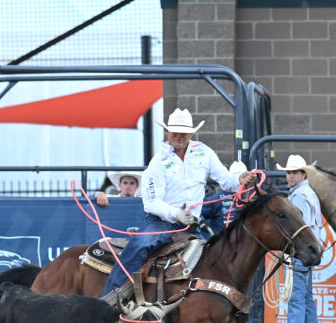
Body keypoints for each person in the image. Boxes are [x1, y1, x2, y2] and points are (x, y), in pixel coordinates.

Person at [102, 108, 255, 300]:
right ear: (167, 132)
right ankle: (111, 297)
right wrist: (176, 214)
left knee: (219, 255)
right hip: (163, 223)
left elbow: (225, 180)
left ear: (191, 133)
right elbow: (151, 203)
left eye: (183, 132)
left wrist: (239, 178)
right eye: (174, 131)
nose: (178, 136)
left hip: (194, 224)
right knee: (140, 244)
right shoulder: (158, 162)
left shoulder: (204, 153)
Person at [271, 155, 323, 323]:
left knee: (296, 296)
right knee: (306, 297)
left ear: (303, 174)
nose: (290, 176)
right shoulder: (308, 193)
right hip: (310, 251)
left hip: (300, 252)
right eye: (288, 172)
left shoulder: (299, 196)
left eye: (294, 172)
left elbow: (297, 228)